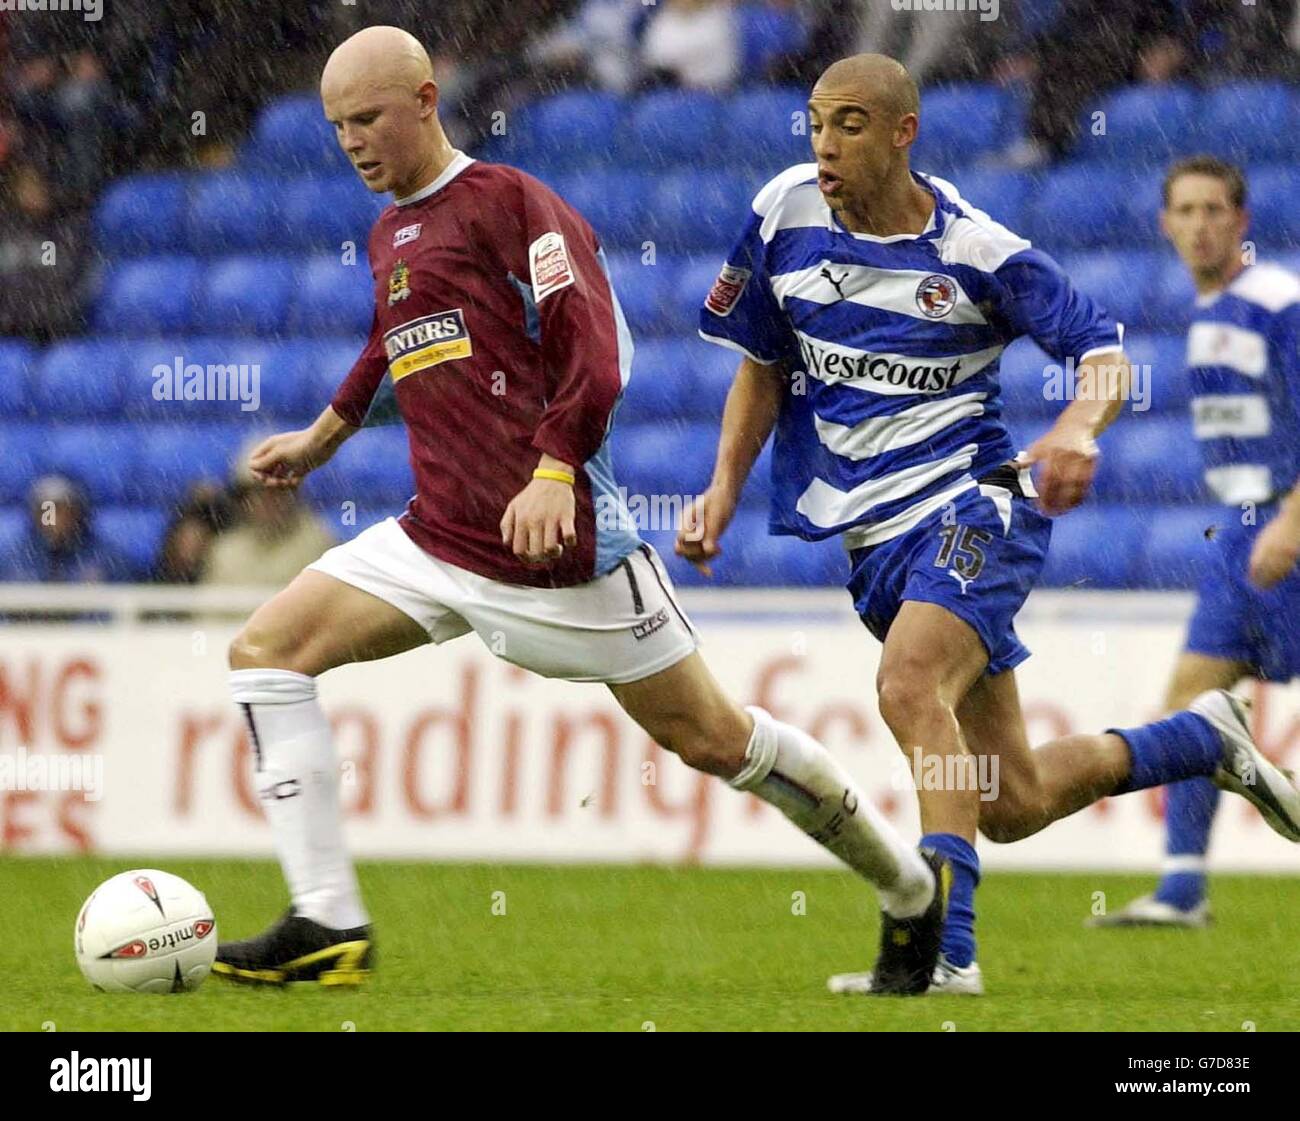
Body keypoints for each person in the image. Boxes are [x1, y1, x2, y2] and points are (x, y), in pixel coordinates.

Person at [211, 25, 937, 987]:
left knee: (718, 740)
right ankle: (328, 922)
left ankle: (906, 890)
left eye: (369, 118)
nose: (352, 141)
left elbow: (596, 350)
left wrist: (554, 470)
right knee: (266, 651)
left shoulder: (513, 204)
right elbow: (395, 345)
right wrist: (321, 438)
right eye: (338, 124)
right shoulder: (392, 230)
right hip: (439, 537)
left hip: (564, 557)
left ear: (426, 101)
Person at [685, 53, 1300, 995]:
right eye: (814, 123)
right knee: (1009, 799)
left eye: (849, 124)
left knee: (908, 681)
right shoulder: (782, 214)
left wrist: (1077, 430)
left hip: (975, 504)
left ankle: (946, 954)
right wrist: (725, 486)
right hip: (871, 539)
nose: (824, 146)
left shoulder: (975, 251)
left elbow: (1102, 349)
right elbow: (762, 363)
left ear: (903, 133)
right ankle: (1201, 740)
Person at [1090, 157, 1300, 928]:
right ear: (1165, 223)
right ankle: (1182, 889)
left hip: (1284, 523)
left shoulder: (1277, 302)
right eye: (1186, 209)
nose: (1201, 223)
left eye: (1216, 209)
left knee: (1196, 705)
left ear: (1242, 221)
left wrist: (1293, 518)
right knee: (1193, 704)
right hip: (1240, 534)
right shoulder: (1210, 310)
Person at [200, 439, 336, 587]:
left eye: (279, 491)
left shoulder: (317, 544)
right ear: (244, 499)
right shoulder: (225, 551)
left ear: (293, 495)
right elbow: (208, 608)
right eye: (259, 492)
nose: (269, 501)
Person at [1, 474, 131, 583]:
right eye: (45, 511)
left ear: (79, 512)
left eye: (61, 510)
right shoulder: (14, 560)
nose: (53, 519)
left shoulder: (106, 559)